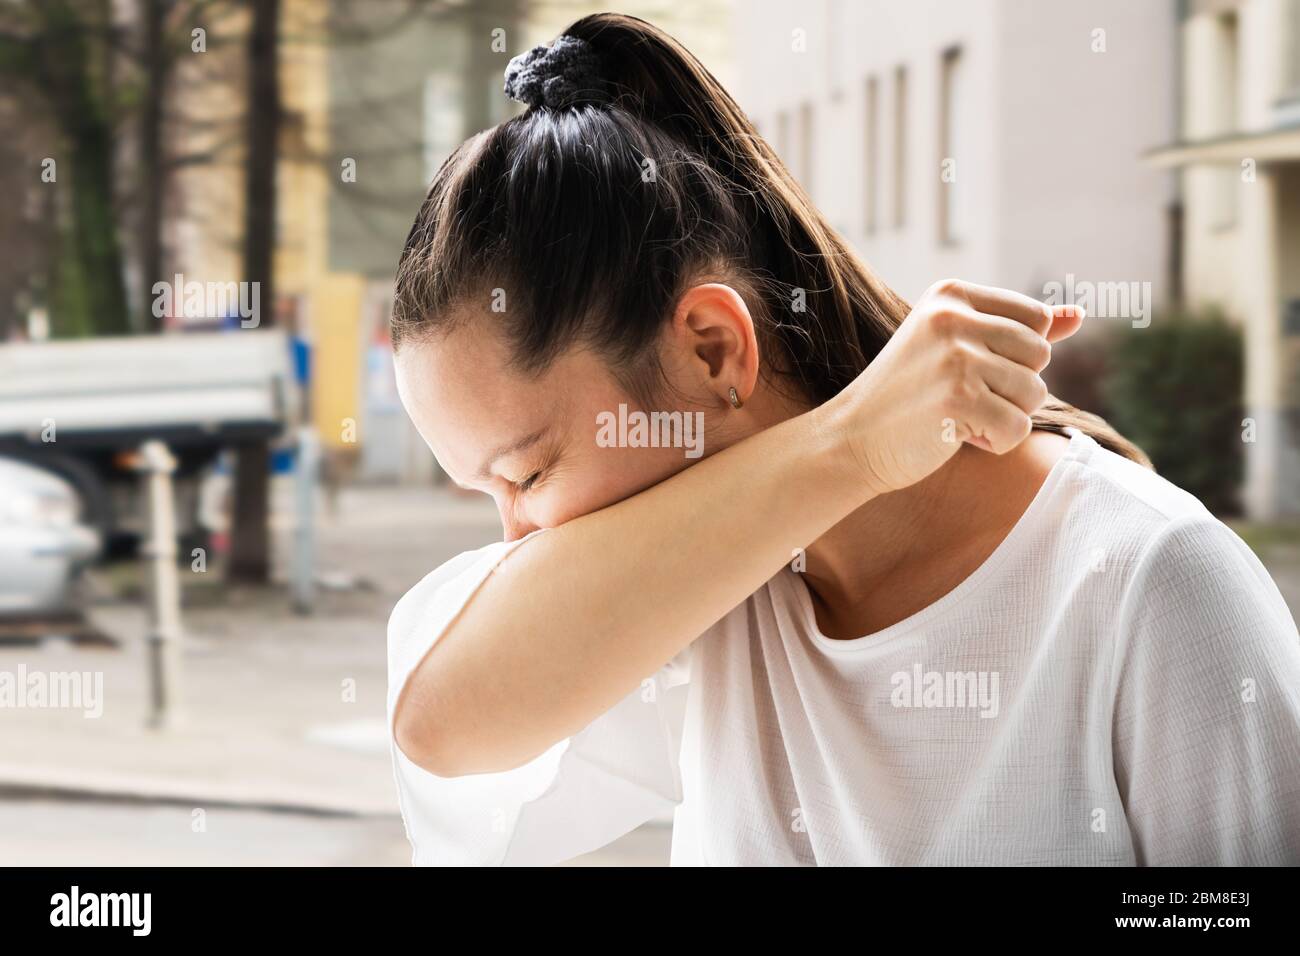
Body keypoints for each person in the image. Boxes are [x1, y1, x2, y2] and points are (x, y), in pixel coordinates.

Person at [385, 14, 1300, 866]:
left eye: (528, 472)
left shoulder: (1151, 582)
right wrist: (850, 445)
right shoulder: (695, 599)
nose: (518, 539)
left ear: (714, 348)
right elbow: (441, 725)